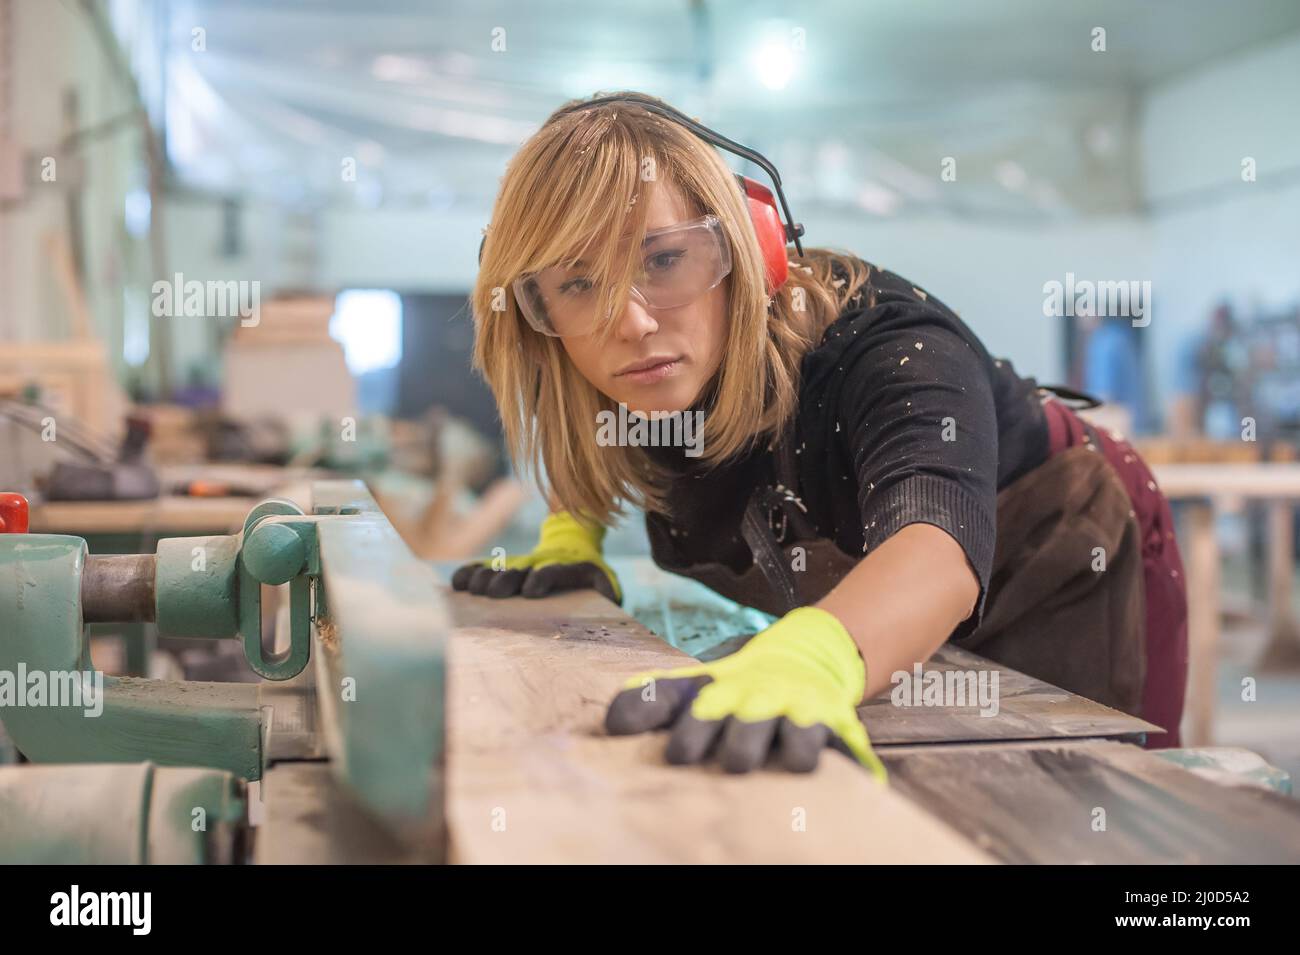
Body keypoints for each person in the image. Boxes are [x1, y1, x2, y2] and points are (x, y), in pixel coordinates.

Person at [455, 92, 1187, 777]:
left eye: (663, 259)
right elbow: (592, 423)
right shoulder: (646, 367)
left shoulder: (889, 350)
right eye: (580, 283)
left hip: (1067, 548)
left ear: (746, 247)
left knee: (1086, 794)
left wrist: (812, 657)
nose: (633, 321)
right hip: (893, 608)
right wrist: (569, 542)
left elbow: (933, 547)